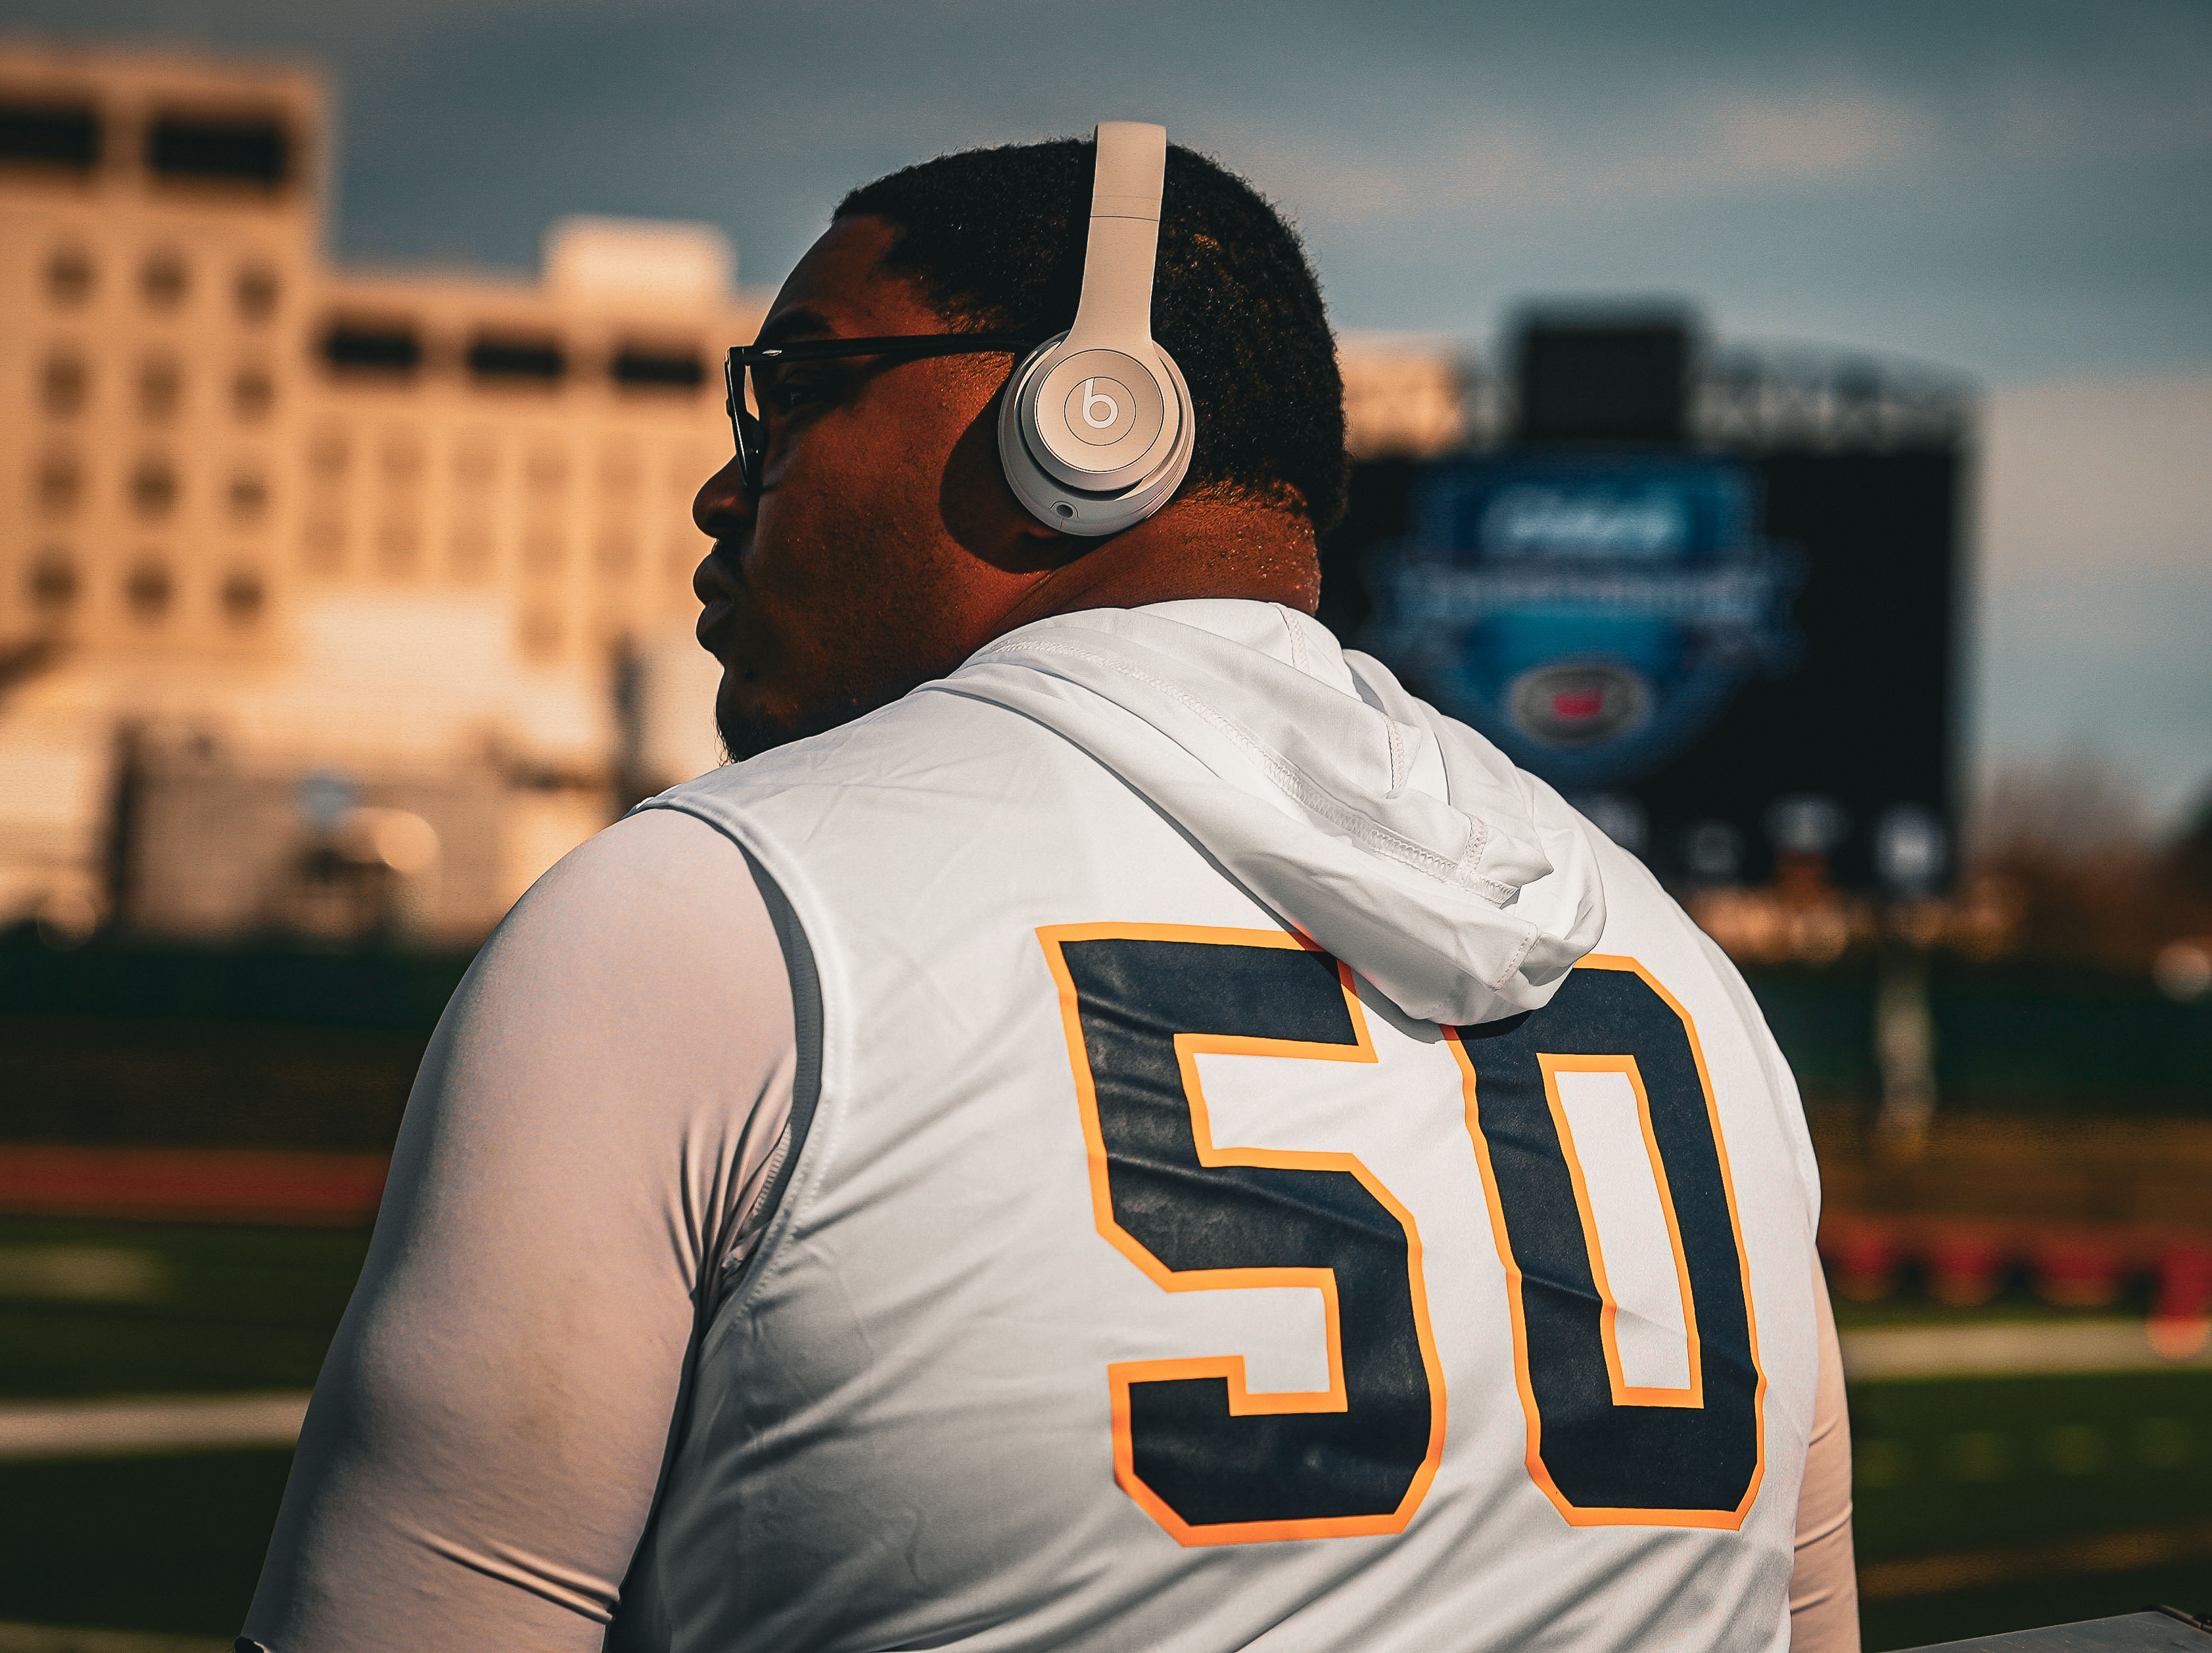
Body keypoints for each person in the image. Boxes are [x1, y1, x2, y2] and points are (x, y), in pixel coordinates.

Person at [243, 129, 1857, 1652]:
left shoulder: (704, 911)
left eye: (795, 389)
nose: (727, 487)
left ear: (1090, 416)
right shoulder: (1684, 976)